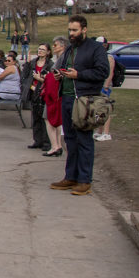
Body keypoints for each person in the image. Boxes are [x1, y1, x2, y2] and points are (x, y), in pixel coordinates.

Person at [49, 15, 110, 196]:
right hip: (67, 97)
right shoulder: (70, 49)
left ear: (84, 29)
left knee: (84, 140)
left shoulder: (95, 49)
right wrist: (60, 75)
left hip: (84, 99)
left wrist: (79, 75)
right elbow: (63, 69)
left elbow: (102, 71)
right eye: (70, 30)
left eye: (75, 30)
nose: (71, 33)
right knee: (70, 139)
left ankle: (84, 180)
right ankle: (71, 176)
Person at [22, 43, 52, 151]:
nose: (40, 51)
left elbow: (50, 80)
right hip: (33, 91)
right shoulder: (33, 63)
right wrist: (27, 62)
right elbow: (25, 75)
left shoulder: (50, 64)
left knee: (44, 117)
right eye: (39, 49)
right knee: (35, 117)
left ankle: (46, 142)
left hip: (43, 92)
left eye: (43, 50)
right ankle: (37, 140)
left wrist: (40, 79)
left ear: (48, 52)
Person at [42, 37, 67, 157]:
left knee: (48, 119)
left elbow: (57, 76)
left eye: (56, 45)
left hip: (54, 95)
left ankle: (54, 146)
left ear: (63, 46)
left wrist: (45, 77)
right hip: (57, 94)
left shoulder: (62, 59)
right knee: (56, 121)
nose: (54, 47)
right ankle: (58, 145)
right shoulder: (62, 59)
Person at [94, 36, 115, 141]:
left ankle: (106, 133)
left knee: (105, 109)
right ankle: (100, 131)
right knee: (99, 109)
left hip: (104, 86)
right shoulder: (99, 56)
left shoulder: (109, 57)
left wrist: (106, 86)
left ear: (105, 45)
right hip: (98, 85)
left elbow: (110, 73)